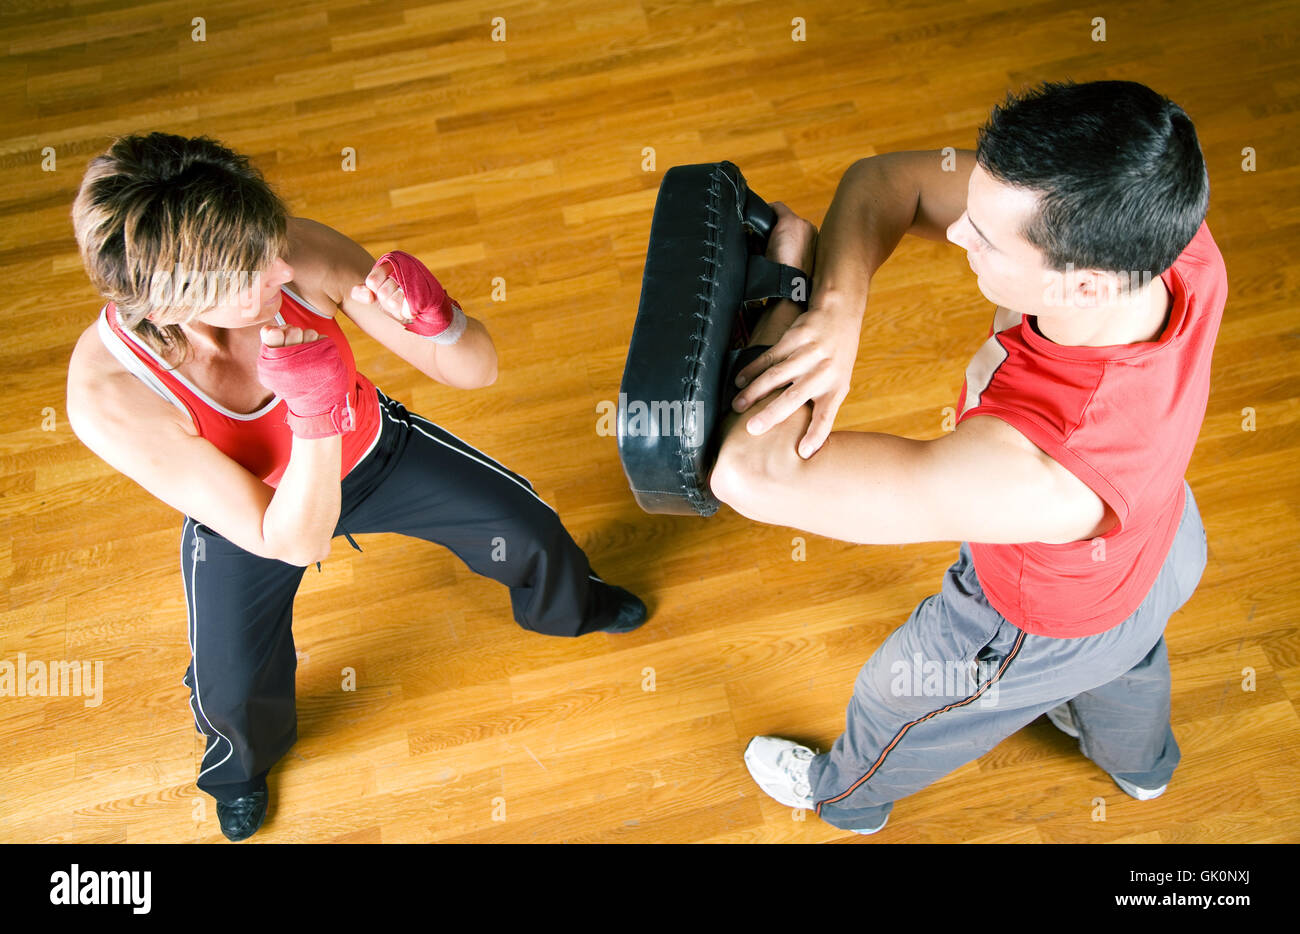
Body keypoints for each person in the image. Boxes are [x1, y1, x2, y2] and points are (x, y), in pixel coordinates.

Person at [65, 132, 648, 841]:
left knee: (525, 525)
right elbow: (292, 539)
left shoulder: (296, 252)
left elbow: (476, 370)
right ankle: (240, 769)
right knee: (230, 683)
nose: (280, 264)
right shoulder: (109, 392)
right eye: (249, 267)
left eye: (267, 238)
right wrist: (313, 413)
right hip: (258, 517)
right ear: (166, 305)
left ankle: (573, 607)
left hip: (371, 449)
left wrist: (443, 318)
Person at [711, 80, 1223, 834]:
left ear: (1081, 285)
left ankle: (844, 798)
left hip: (1028, 620)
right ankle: (1142, 769)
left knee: (897, 703)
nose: (956, 233)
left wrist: (792, 284)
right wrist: (837, 312)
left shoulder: (1034, 469)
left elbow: (749, 473)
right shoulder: (1169, 240)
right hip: (1164, 543)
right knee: (1130, 653)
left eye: (984, 235)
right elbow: (889, 182)